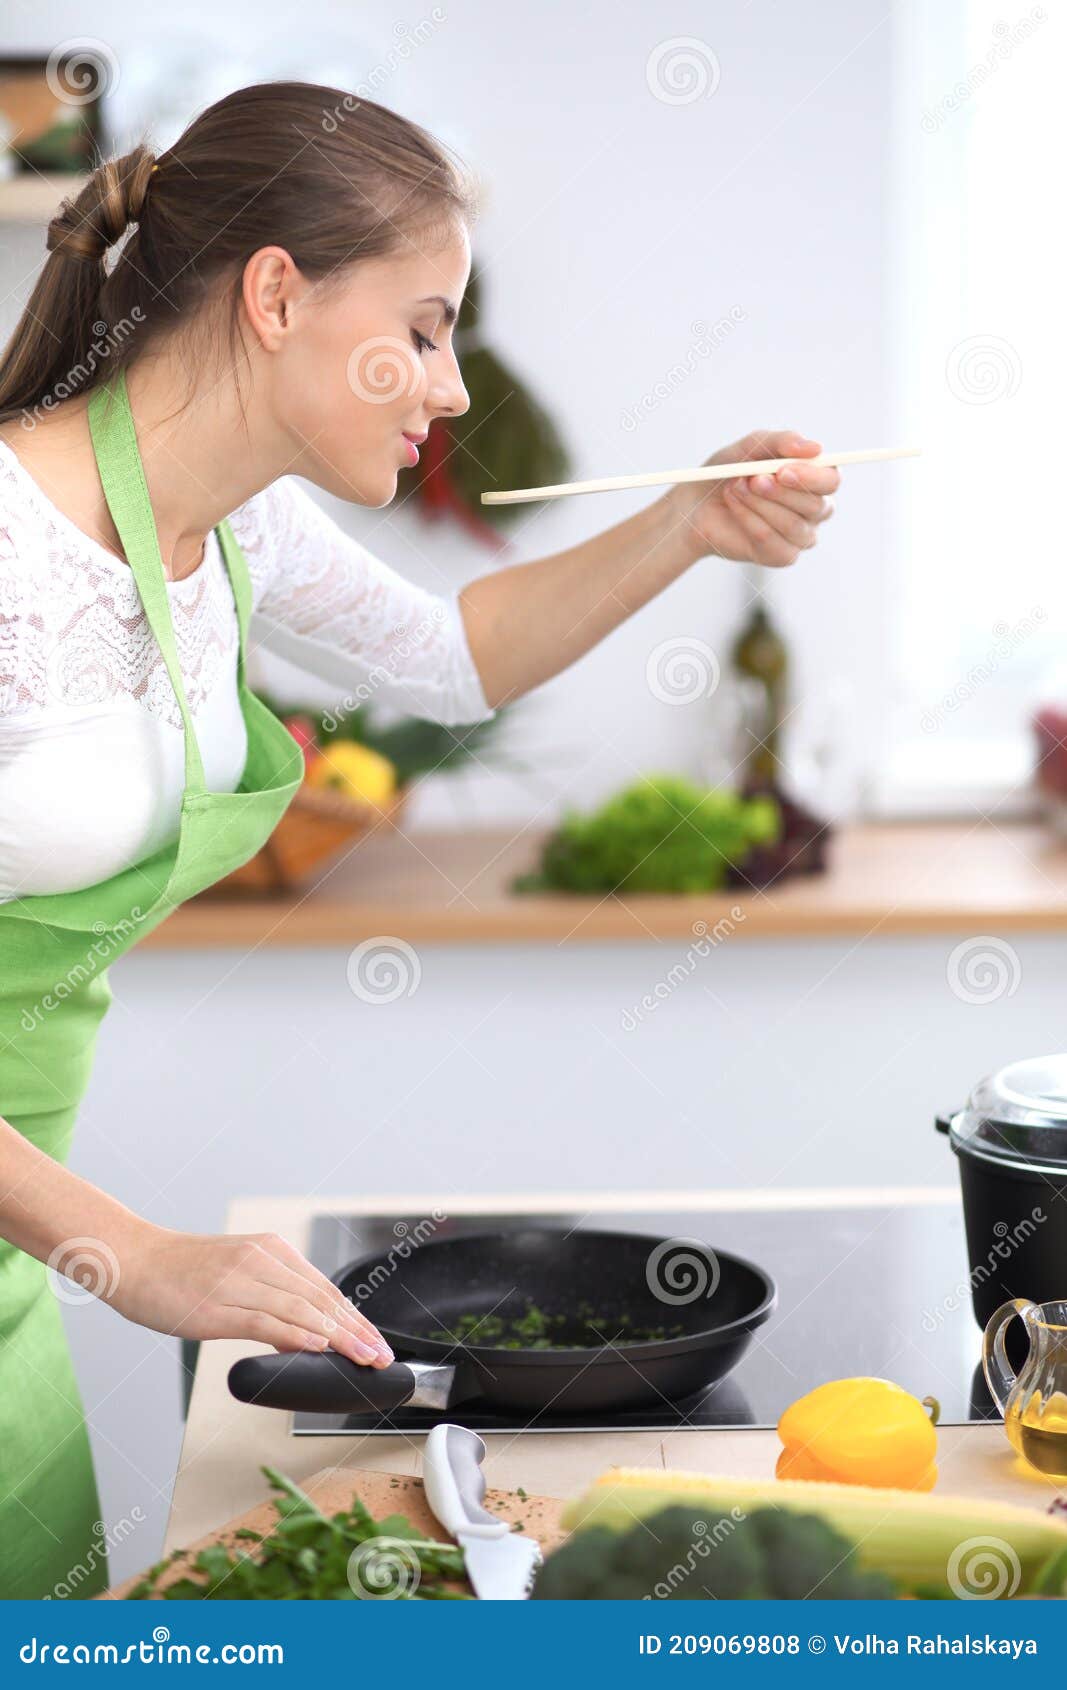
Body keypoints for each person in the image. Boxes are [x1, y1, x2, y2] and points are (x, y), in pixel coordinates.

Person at [0, 80, 839, 1597]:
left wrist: (689, 521)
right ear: (275, 296)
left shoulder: (228, 527)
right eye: (429, 325)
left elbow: (452, 653)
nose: (450, 389)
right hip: (67, 1234)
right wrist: (139, 1254)